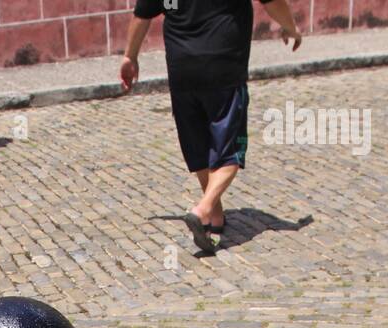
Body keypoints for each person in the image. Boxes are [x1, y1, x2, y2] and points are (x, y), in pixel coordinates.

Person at [120, 0, 302, 253]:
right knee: (230, 151)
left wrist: (130, 56)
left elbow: (142, 15)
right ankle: (203, 208)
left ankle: (214, 218)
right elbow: (273, 2)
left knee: (200, 145)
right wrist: (291, 28)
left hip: (182, 71)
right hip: (224, 70)